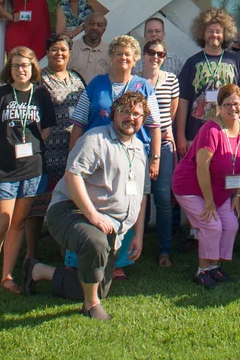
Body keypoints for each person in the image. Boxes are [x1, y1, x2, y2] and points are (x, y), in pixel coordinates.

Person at [24, 90, 150, 320]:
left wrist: (138, 235)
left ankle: (38, 270)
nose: (131, 118)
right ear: (113, 114)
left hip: (111, 225)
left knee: (96, 286)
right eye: (124, 112)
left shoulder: (139, 149)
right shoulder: (95, 139)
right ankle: (91, 306)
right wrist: (92, 215)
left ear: (143, 119)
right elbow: (73, 176)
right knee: (95, 242)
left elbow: (141, 193)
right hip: (70, 210)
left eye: (136, 114)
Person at [70, 35, 162, 274]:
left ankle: (119, 260)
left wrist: (155, 157)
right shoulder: (96, 84)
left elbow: (155, 125)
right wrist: (73, 156)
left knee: (127, 202)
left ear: (135, 59)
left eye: (128, 54)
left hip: (132, 157)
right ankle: (80, 255)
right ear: (111, 57)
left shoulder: (144, 86)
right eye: (119, 53)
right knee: (92, 202)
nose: (123, 57)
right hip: (96, 156)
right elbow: (79, 122)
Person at [0, 46, 55, 302]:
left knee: (18, 224)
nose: (21, 70)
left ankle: (6, 276)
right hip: (2, 171)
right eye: (16, 65)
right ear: (9, 69)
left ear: (33, 69)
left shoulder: (41, 95)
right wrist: (1, 152)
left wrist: (32, 149)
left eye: (25, 65)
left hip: (32, 170)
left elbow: (47, 130)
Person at [172, 83, 240, 288]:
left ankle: (214, 267)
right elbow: (202, 168)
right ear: (219, 106)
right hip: (190, 186)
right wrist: (209, 202)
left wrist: (237, 197)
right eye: (227, 104)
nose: (233, 108)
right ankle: (202, 271)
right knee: (212, 225)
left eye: (237, 104)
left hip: (220, 189)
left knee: (231, 224)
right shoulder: (211, 130)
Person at [21, 35, 86, 275]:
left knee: (67, 200)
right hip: (48, 150)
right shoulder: (39, 80)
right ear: (47, 51)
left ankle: (64, 247)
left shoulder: (77, 78)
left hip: (72, 149)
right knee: (38, 203)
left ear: (70, 52)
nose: (60, 54)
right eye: (55, 49)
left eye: (64, 50)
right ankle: (31, 253)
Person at [175, 9, 240, 154]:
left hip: (228, 131)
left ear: (224, 34)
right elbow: (183, 101)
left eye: (218, 31)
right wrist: (181, 136)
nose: (214, 35)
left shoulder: (235, 62)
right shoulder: (192, 62)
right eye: (210, 31)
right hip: (195, 132)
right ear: (202, 33)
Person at [136, 35, 181, 267]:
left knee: (163, 197)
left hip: (163, 145)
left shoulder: (171, 80)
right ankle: (134, 246)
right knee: (136, 197)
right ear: (143, 55)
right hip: (137, 145)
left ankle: (165, 249)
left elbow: (171, 114)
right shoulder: (134, 81)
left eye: (160, 54)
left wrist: (166, 134)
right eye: (151, 53)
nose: (155, 57)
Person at [69, 13, 111, 84]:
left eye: (99, 25)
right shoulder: (70, 48)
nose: (95, 27)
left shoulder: (111, 52)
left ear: (104, 30)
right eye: (91, 24)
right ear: (84, 26)